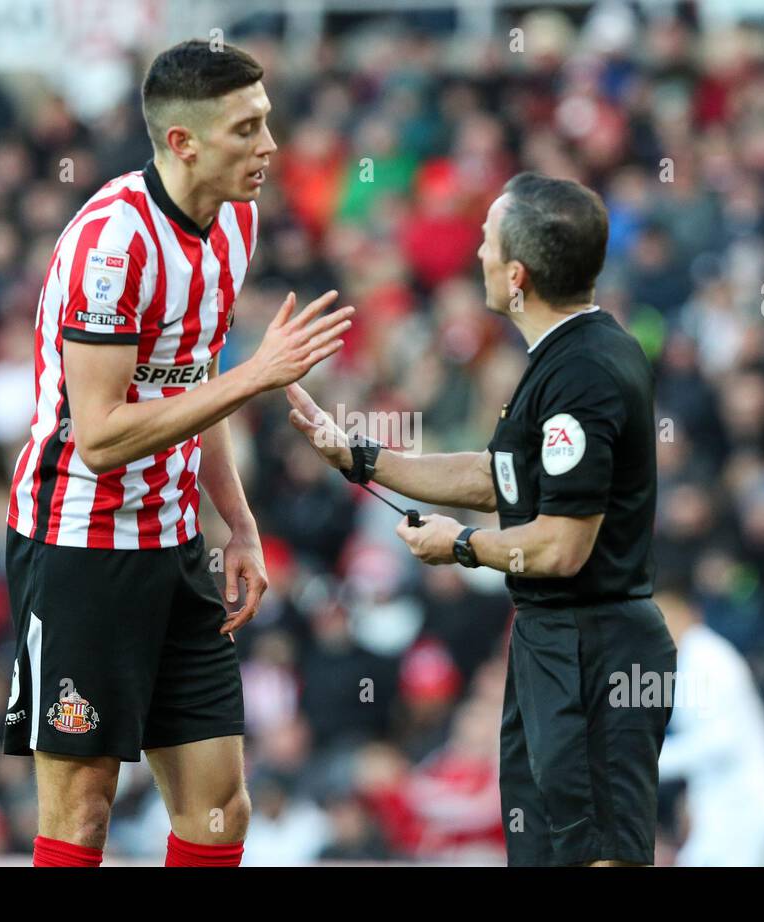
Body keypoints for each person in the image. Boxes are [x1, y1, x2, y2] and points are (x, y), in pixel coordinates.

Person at [2, 40, 354, 868]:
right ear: (183, 142)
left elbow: (192, 379)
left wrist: (238, 522)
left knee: (221, 809)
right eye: (247, 129)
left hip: (175, 546)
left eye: (266, 121)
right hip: (81, 543)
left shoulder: (237, 219)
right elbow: (103, 433)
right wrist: (256, 375)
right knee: (82, 810)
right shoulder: (111, 249)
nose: (270, 145)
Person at [287, 172, 674, 866]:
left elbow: (560, 545)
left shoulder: (581, 375)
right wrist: (360, 456)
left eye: (487, 242)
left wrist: (460, 548)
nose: (476, 256)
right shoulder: (565, 358)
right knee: (551, 848)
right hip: (556, 642)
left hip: (591, 647)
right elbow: (494, 477)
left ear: (518, 274)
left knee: (595, 850)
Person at [654, 582, 764, 866]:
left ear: (685, 614)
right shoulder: (688, 659)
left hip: (744, 808)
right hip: (721, 809)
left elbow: (723, 739)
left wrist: (653, 762)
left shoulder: (708, 658)